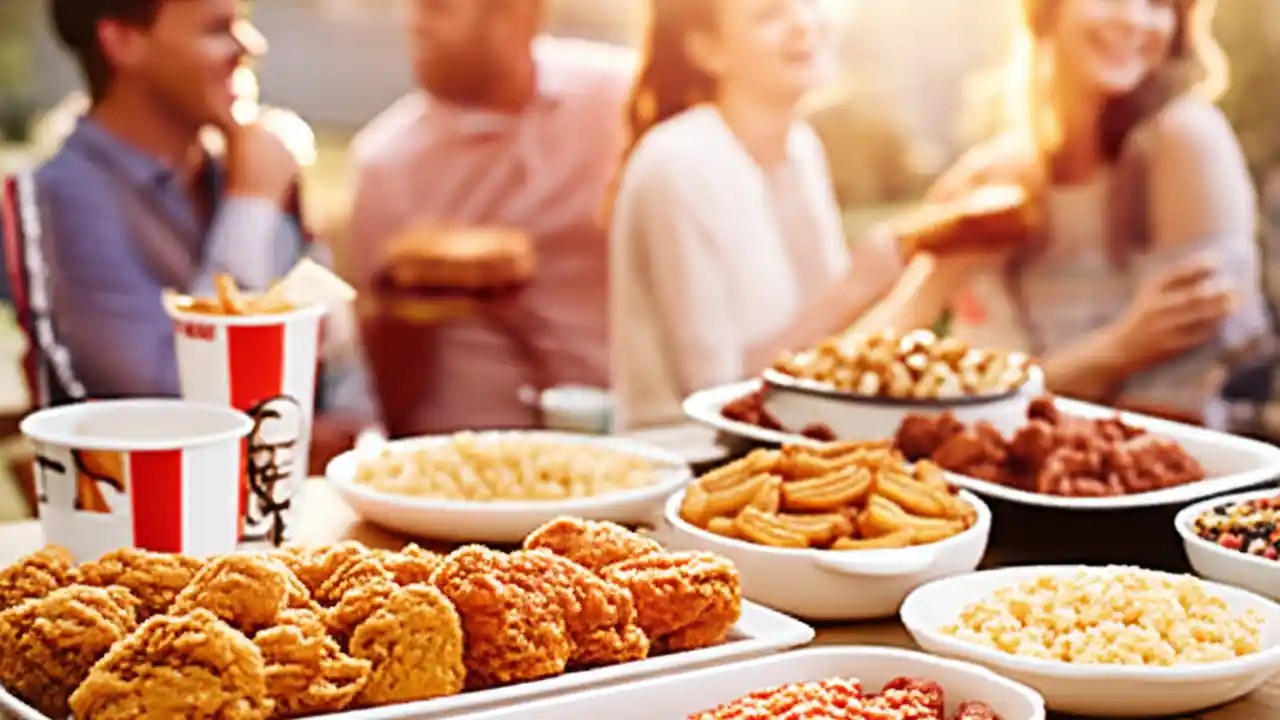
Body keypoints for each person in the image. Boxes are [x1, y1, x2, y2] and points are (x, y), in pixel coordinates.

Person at [860, 0, 1269, 426]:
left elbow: (1178, 406)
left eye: (1158, 3)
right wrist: (1119, 349)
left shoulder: (1182, 139)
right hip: (1011, 469)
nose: (1133, 17)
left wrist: (1039, 385)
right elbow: (965, 393)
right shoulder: (995, 180)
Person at [608, 0, 906, 430]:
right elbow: (717, 395)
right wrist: (854, 287)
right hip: (692, 464)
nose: (803, 24)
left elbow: (829, 355)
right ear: (708, 49)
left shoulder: (801, 149)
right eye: (769, 14)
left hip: (796, 454)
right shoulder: (677, 164)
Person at [349, 0, 633, 436]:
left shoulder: (617, 104)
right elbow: (387, 401)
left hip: (618, 430)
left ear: (518, 16)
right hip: (465, 453)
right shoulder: (386, 165)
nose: (417, 22)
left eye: (438, 7)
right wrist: (403, 307)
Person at [34, 0, 305, 402]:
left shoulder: (245, 161)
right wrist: (251, 207)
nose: (253, 46)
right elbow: (168, 394)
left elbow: (329, 353)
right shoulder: (62, 197)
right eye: (217, 29)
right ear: (123, 42)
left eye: (243, 23)